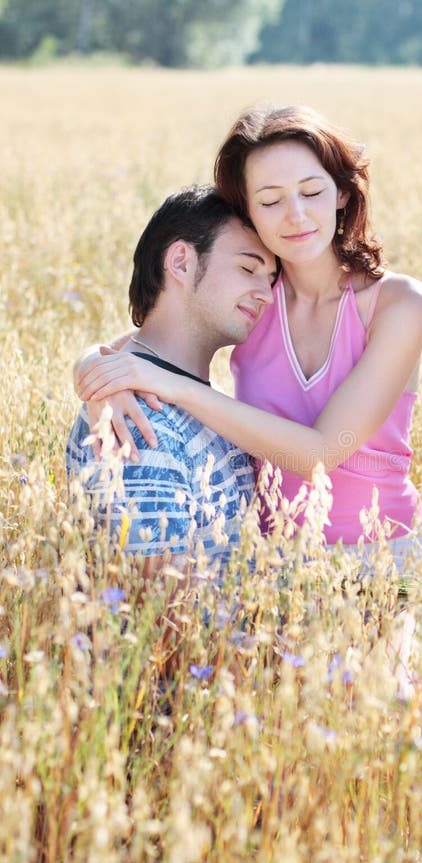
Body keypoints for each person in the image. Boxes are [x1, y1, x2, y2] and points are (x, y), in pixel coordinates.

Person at [75, 105, 422, 586]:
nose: (295, 216)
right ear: (248, 210)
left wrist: (176, 388)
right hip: (278, 572)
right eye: (270, 200)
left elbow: (319, 454)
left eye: (312, 192)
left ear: (341, 193)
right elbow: (135, 350)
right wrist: (92, 372)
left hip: (392, 562)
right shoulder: (254, 303)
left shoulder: (399, 305)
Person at [67, 183, 277, 578]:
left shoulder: (189, 399)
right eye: (249, 268)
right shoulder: (140, 422)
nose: (266, 294)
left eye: (271, 278)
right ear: (181, 262)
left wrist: (91, 360)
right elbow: (159, 622)